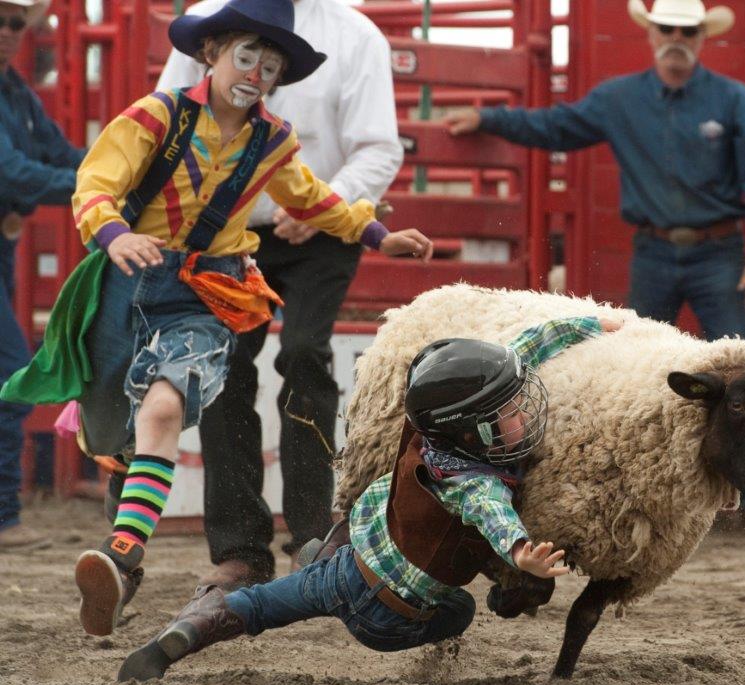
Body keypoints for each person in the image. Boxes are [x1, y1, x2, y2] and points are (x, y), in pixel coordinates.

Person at [0, 0, 431, 637]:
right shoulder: (156, 116)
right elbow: (95, 181)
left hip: (209, 288)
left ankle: (129, 557)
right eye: (246, 57)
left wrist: (374, 233)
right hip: (126, 278)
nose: (256, 72)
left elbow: (310, 197)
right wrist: (114, 234)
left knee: (172, 406)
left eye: (271, 65)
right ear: (211, 55)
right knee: (115, 425)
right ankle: (128, 566)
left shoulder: (275, 138)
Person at [117, 315, 621, 682]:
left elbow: (522, 348)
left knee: (262, 603)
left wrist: (588, 326)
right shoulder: (476, 482)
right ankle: (495, 593)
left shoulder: (424, 420)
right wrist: (519, 556)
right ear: (469, 434)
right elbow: (495, 518)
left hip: (354, 563)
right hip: (387, 618)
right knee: (462, 609)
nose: (522, 417)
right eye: (507, 415)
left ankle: (188, 630)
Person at [154, 0, 404, 588]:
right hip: (226, 227)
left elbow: (377, 147)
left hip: (323, 227)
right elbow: (171, 120)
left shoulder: (355, 34)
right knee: (226, 366)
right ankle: (240, 549)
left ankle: (312, 533)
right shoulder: (214, 16)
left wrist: (324, 207)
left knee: (305, 354)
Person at [445, 0, 745, 346]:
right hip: (655, 253)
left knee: (740, 360)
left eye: (688, 31)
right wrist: (488, 119)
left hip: (717, 252)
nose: (677, 38)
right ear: (651, 33)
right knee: (641, 358)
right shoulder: (620, 99)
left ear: (702, 37)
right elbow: (556, 126)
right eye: (667, 29)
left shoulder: (734, 100)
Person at [0, 0, 85, 551]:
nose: (10, 32)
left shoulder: (19, 96)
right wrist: (100, 185)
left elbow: (63, 155)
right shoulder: (17, 97)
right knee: (10, 369)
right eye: (3, 21)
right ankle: (2, 512)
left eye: (15, 23)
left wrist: (117, 169)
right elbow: (12, 172)